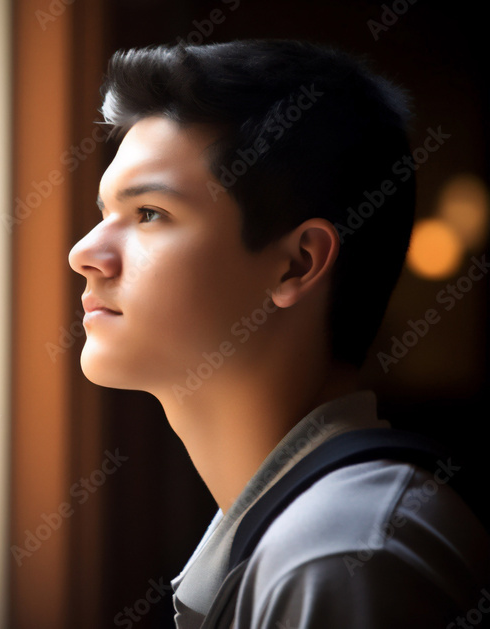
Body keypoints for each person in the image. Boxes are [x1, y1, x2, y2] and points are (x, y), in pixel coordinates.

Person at [68, 39, 489, 628]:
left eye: (149, 214)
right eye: (103, 212)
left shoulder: (338, 557)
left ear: (296, 263)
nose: (84, 253)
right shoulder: (304, 538)